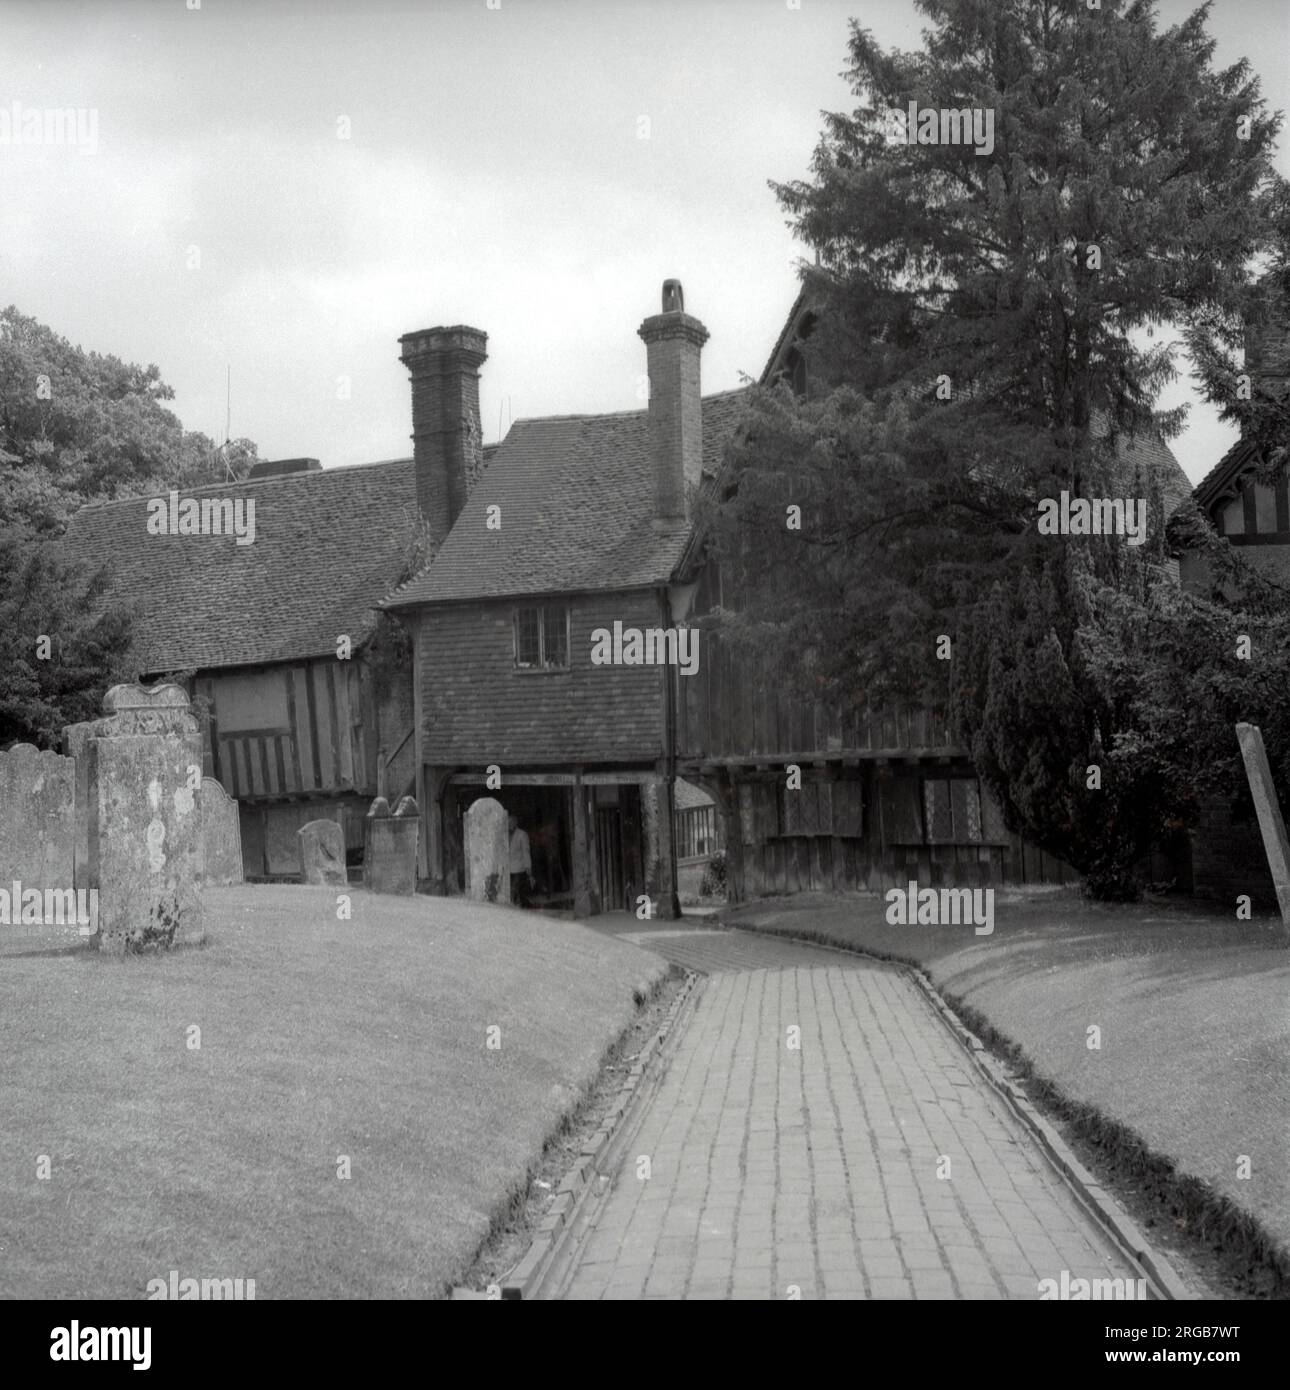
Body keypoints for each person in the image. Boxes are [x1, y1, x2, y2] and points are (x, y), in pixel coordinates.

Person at [509, 814, 532, 907]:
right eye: (507, 823)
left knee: (516, 890)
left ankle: (521, 907)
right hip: (509, 869)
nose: (509, 825)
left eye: (511, 822)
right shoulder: (505, 835)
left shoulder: (522, 834)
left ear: (516, 823)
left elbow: (526, 852)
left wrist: (528, 867)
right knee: (513, 890)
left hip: (519, 868)